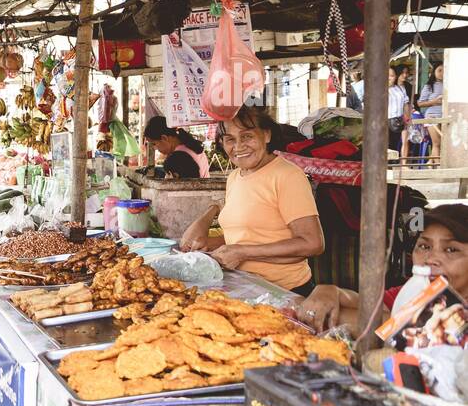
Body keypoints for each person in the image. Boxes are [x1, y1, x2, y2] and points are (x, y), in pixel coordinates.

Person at [180, 101, 324, 296]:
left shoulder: (287, 175)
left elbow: (312, 243)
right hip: (244, 285)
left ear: (267, 135)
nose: (238, 146)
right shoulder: (235, 177)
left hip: (284, 291)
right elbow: (251, 235)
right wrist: (214, 245)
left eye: (247, 136)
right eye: (229, 139)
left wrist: (242, 252)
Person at [298, 204, 468, 334]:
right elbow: (375, 306)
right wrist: (332, 292)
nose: (431, 259)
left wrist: (317, 312)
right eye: (424, 246)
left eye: (451, 250)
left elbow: (396, 326)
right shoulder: (415, 290)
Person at [143, 116, 210, 179]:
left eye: (154, 144)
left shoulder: (180, 156)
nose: (155, 148)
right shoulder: (191, 146)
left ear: (164, 138)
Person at [418, 63, 444, 166]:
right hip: (432, 116)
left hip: (444, 117)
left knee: (441, 144)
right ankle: (439, 167)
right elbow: (420, 103)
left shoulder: (450, 85)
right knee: (436, 143)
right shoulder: (429, 86)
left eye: (444, 70)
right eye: (439, 70)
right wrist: (434, 101)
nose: (442, 73)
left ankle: (430, 162)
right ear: (434, 72)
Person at [386, 65, 412, 159]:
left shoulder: (400, 88)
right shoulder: (381, 89)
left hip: (400, 119)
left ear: (395, 76)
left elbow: (406, 103)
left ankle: (403, 164)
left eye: (392, 75)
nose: (389, 78)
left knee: (403, 141)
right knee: (387, 144)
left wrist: (407, 117)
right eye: (387, 75)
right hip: (387, 120)